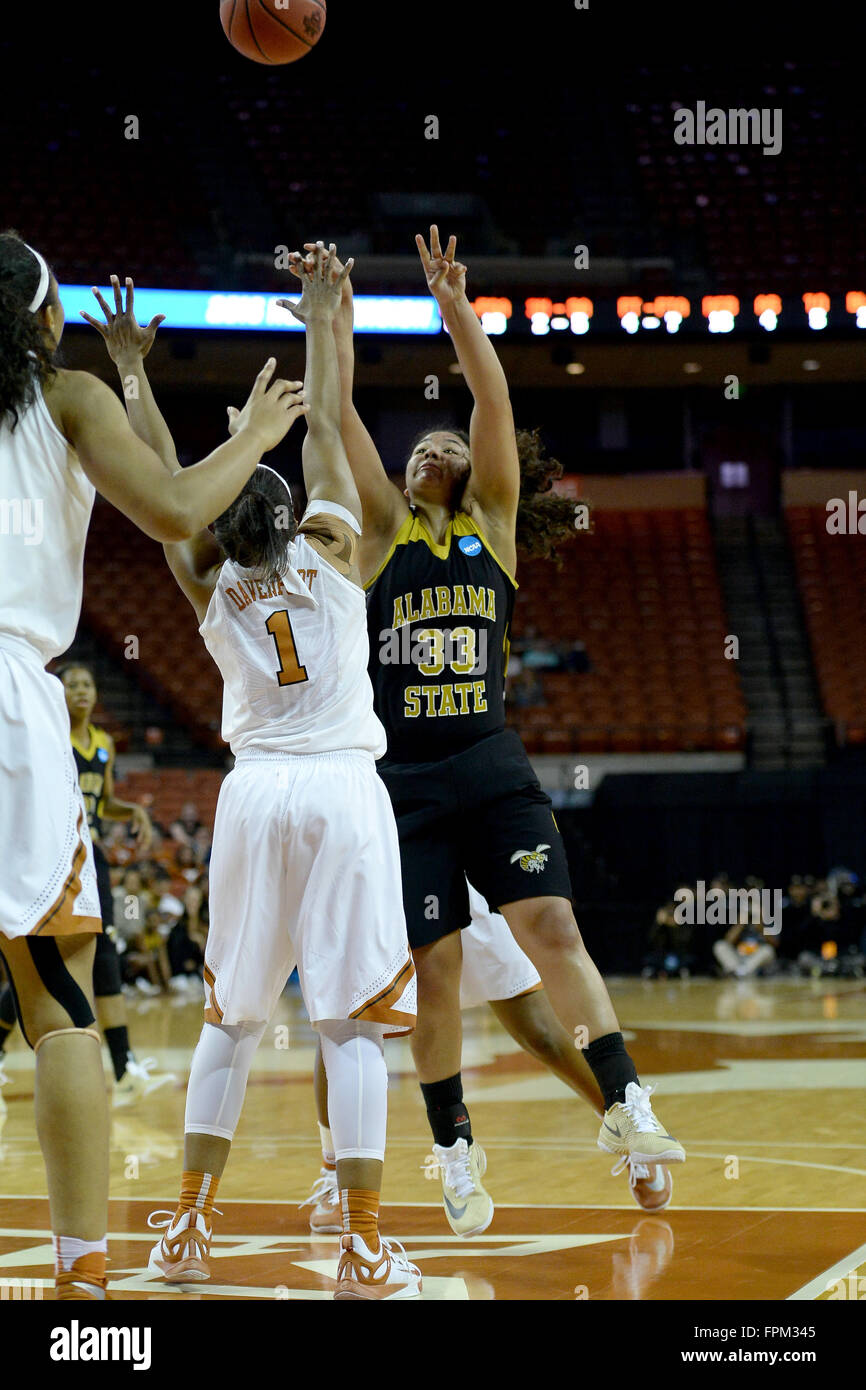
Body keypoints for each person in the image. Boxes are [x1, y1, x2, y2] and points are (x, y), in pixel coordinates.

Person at [291, 227, 685, 1238]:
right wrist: (329, 318)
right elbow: (332, 417)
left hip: (489, 761)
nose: (435, 445)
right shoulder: (383, 535)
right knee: (437, 972)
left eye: (448, 445)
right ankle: (455, 1149)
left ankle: (625, 1098)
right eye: (422, 441)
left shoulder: (494, 525)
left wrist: (454, 307)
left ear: (474, 474)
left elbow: (493, 401)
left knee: (552, 928)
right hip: (407, 781)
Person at [85, 246, 421, 1299]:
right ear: (290, 513)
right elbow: (329, 424)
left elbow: (168, 480)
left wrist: (135, 375)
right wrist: (327, 315)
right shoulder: (332, 544)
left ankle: (184, 1232)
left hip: (251, 792)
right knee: (354, 1028)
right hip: (338, 790)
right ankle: (363, 1246)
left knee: (230, 1019)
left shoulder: (202, 576)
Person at [0, 229, 305, 1300]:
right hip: (8, 699)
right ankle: (81, 1283)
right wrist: (260, 431)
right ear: (44, 320)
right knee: (60, 1004)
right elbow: (178, 507)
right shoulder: (65, 397)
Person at [302, 880, 673, 1230]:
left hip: (458, 861)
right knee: (344, 1020)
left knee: (541, 1031)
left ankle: (624, 1124)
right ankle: (336, 1174)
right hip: (383, 861)